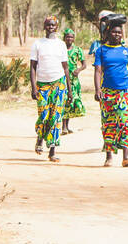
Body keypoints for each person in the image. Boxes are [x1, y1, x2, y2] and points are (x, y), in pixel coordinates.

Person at [94, 18, 128, 167]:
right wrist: (97, 90)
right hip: (107, 93)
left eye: (119, 32)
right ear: (108, 33)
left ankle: (126, 157)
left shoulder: (126, 51)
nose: (117, 34)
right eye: (114, 32)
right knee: (108, 124)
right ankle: (109, 156)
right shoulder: (101, 50)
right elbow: (98, 71)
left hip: (124, 93)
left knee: (125, 123)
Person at [29, 15, 69, 163]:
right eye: (48, 25)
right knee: (44, 114)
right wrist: (34, 88)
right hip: (42, 84)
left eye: (53, 25)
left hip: (59, 83)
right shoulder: (38, 44)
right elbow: (32, 67)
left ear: (56, 27)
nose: (50, 27)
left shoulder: (61, 45)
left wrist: (69, 90)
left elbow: (65, 68)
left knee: (56, 117)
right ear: (44, 26)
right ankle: (40, 138)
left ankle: (52, 151)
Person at [61, 28, 86, 135]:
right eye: (67, 37)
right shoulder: (60, 49)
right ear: (64, 38)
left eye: (71, 37)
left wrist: (78, 70)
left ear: (73, 38)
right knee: (63, 101)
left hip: (73, 80)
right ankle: (63, 126)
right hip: (62, 79)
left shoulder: (77, 50)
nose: (69, 39)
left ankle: (67, 126)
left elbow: (84, 64)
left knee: (71, 102)